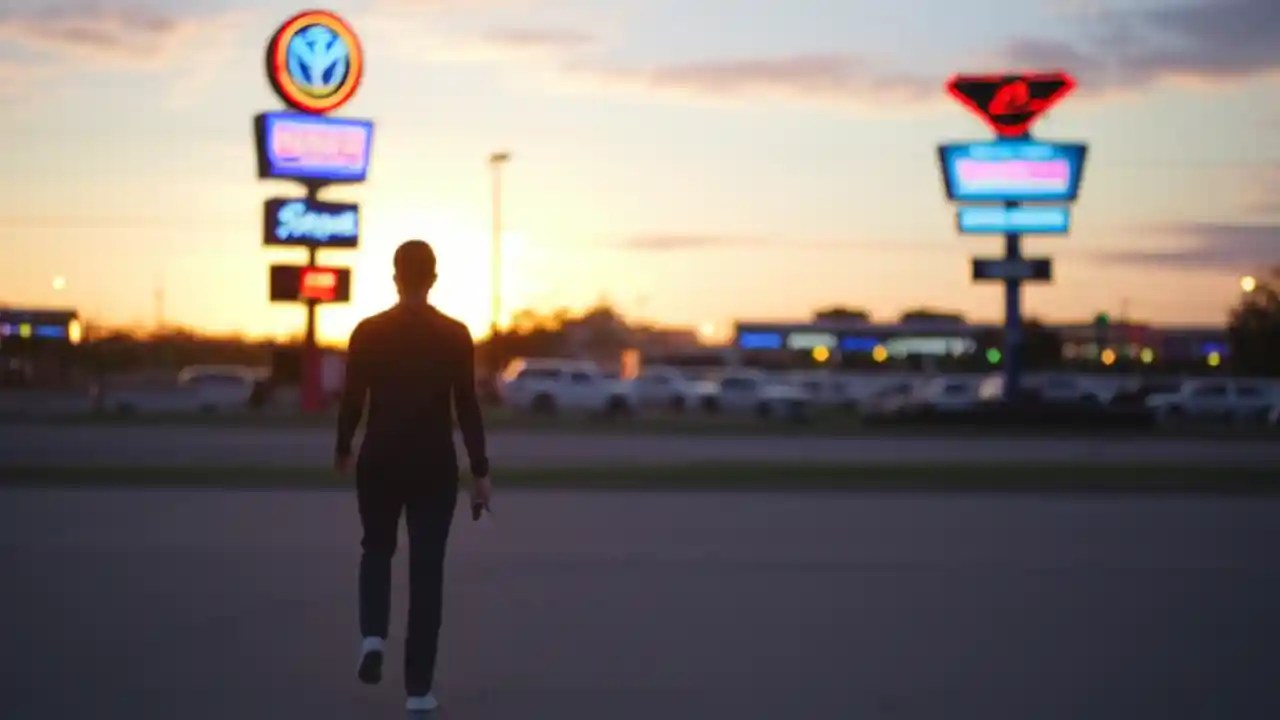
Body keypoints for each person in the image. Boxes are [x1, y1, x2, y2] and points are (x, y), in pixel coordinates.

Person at [335, 240, 492, 714]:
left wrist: (344, 447)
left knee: (376, 547)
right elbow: (466, 405)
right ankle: (418, 690)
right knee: (427, 572)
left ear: (395, 277)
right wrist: (480, 472)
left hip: (379, 459)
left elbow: (352, 401)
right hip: (434, 465)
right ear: (434, 278)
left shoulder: (366, 332)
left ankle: (372, 638)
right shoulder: (455, 335)